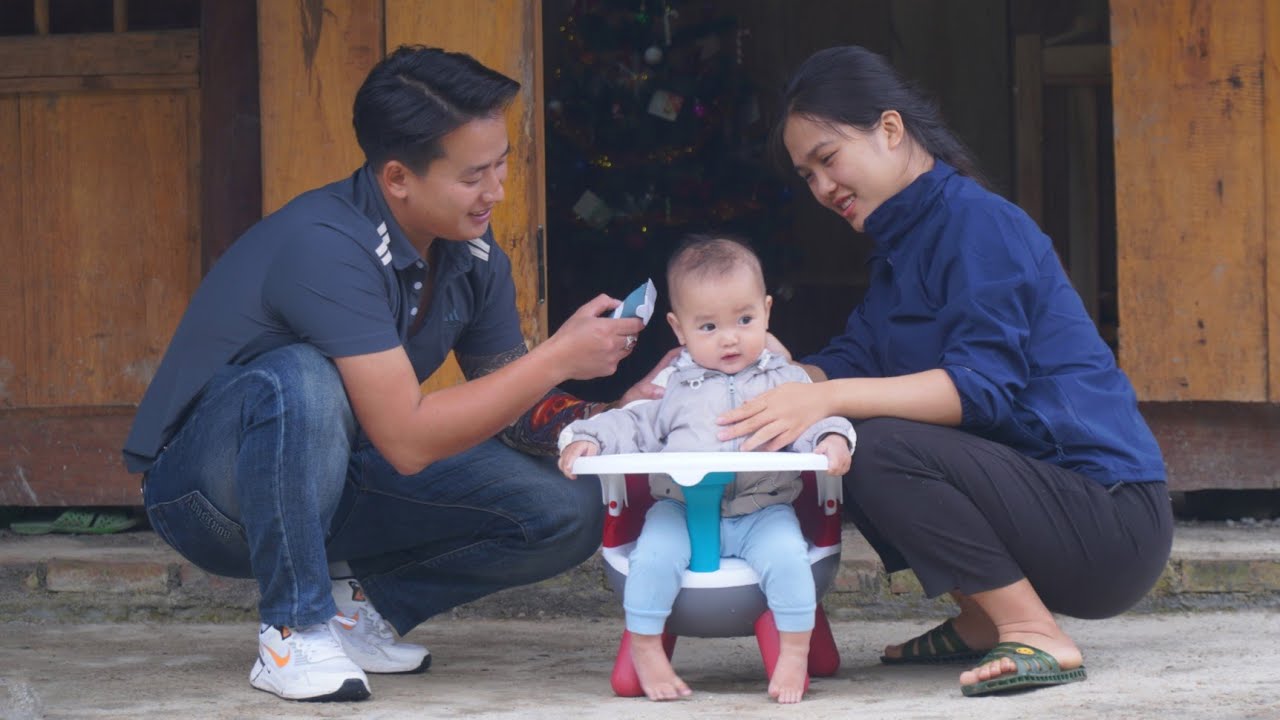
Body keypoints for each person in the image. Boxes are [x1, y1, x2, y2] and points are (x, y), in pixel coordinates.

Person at [123, 45, 666, 703]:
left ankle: (361, 611)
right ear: (399, 178)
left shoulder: (475, 256)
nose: (496, 191)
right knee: (299, 375)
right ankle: (295, 627)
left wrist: (620, 414)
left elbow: (519, 410)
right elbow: (407, 441)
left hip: (335, 481)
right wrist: (557, 353)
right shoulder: (326, 244)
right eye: (474, 176)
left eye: (501, 166)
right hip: (208, 497)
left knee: (568, 504)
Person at [716, 45, 1173, 697]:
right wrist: (740, 372)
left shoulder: (978, 225)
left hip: (1109, 518)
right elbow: (845, 364)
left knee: (868, 441)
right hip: (1051, 513)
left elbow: (981, 389)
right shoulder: (901, 251)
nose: (821, 188)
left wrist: (827, 399)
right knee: (840, 430)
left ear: (891, 129)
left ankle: (1036, 630)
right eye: (806, 176)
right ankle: (984, 618)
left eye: (827, 159)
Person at [558, 236, 855, 704]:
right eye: (710, 325)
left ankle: (795, 654)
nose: (730, 337)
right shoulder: (673, 387)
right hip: (678, 509)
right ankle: (647, 649)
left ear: (767, 311)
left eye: (744, 319)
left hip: (763, 510)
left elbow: (818, 419)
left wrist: (832, 439)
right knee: (650, 559)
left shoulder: (787, 380)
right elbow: (633, 422)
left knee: (789, 559)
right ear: (679, 330)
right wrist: (587, 438)